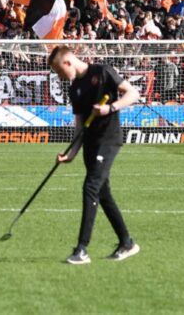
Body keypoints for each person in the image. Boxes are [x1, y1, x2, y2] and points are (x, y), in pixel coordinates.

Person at [50, 45, 141, 265]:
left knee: (90, 186)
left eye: (60, 72)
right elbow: (80, 125)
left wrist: (110, 108)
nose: (61, 77)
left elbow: (133, 94)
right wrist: (71, 153)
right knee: (102, 193)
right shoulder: (74, 89)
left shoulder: (103, 71)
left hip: (108, 140)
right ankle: (127, 243)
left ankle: (81, 249)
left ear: (68, 62)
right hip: (90, 143)